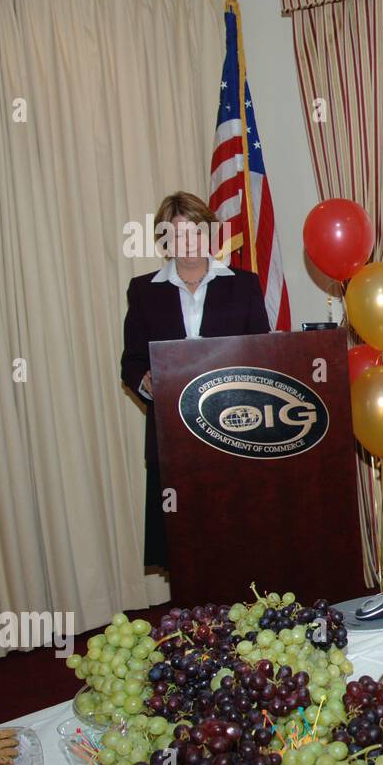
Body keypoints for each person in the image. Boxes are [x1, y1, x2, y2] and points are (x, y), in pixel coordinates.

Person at [120, 192, 270, 569]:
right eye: (177, 234)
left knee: (242, 537)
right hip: (173, 437)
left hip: (237, 430)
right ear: (164, 240)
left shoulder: (244, 284)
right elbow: (131, 362)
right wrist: (146, 381)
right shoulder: (143, 291)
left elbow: (264, 353)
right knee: (185, 545)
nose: (187, 243)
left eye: (195, 232)